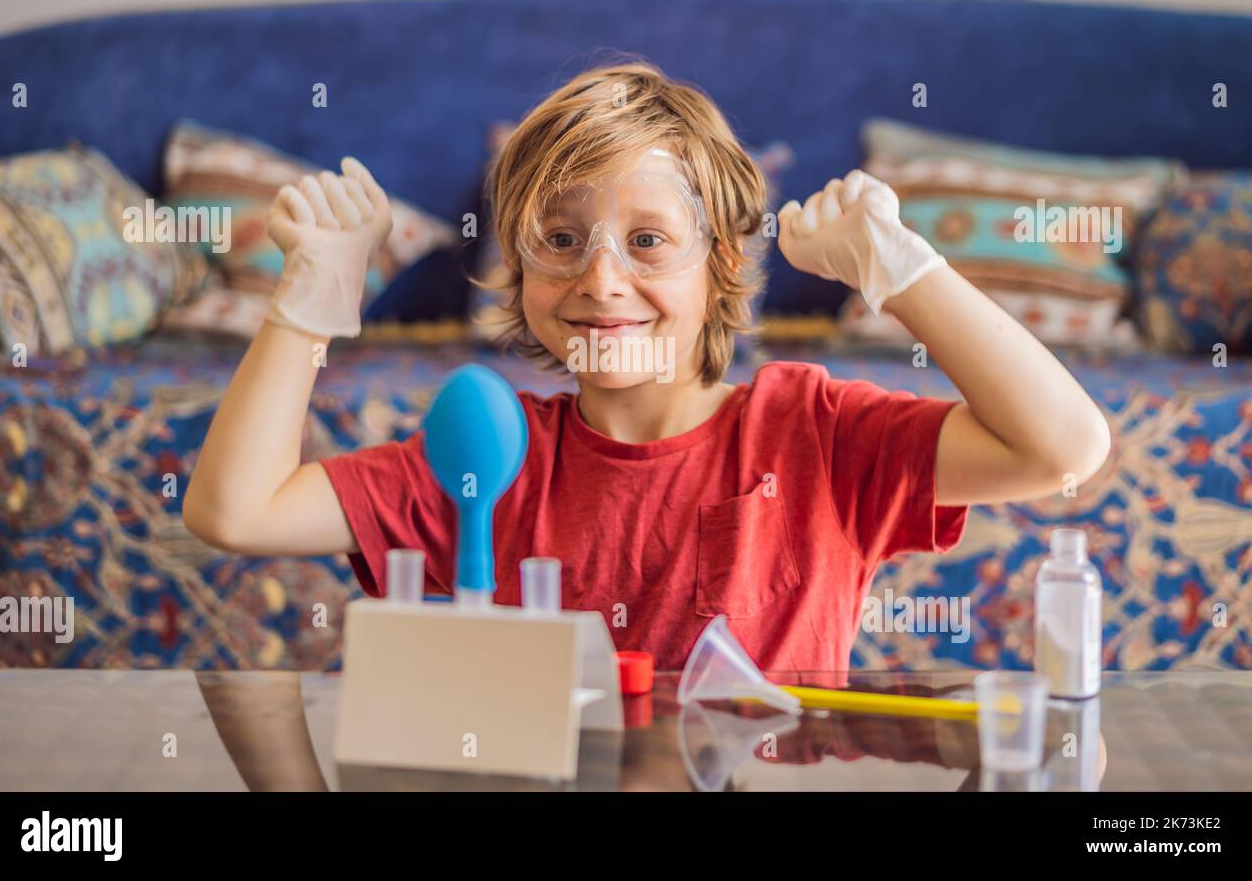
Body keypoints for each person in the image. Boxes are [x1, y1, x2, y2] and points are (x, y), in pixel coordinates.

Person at [184, 61, 1110, 672]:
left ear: (721, 266)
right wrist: (312, 302)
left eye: (648, 241)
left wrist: (901, 270)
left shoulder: (816, 431)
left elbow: (1063, 447)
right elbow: (235, 511)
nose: (600, 279)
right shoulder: (487, 449)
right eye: (559, 239)